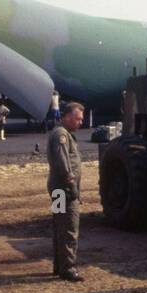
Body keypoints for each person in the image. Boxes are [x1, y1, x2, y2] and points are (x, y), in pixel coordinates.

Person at [47, 101, 86, 282]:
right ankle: (68, 268)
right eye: (78, 119)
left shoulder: (62, 134)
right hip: (64, 191)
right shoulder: (62, 135)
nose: (81, 123)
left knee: (59, 226)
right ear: (68, 117)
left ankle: (59, 265)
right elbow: (63, 164)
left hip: (58, 190)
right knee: (69, 227)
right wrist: (72, 188)